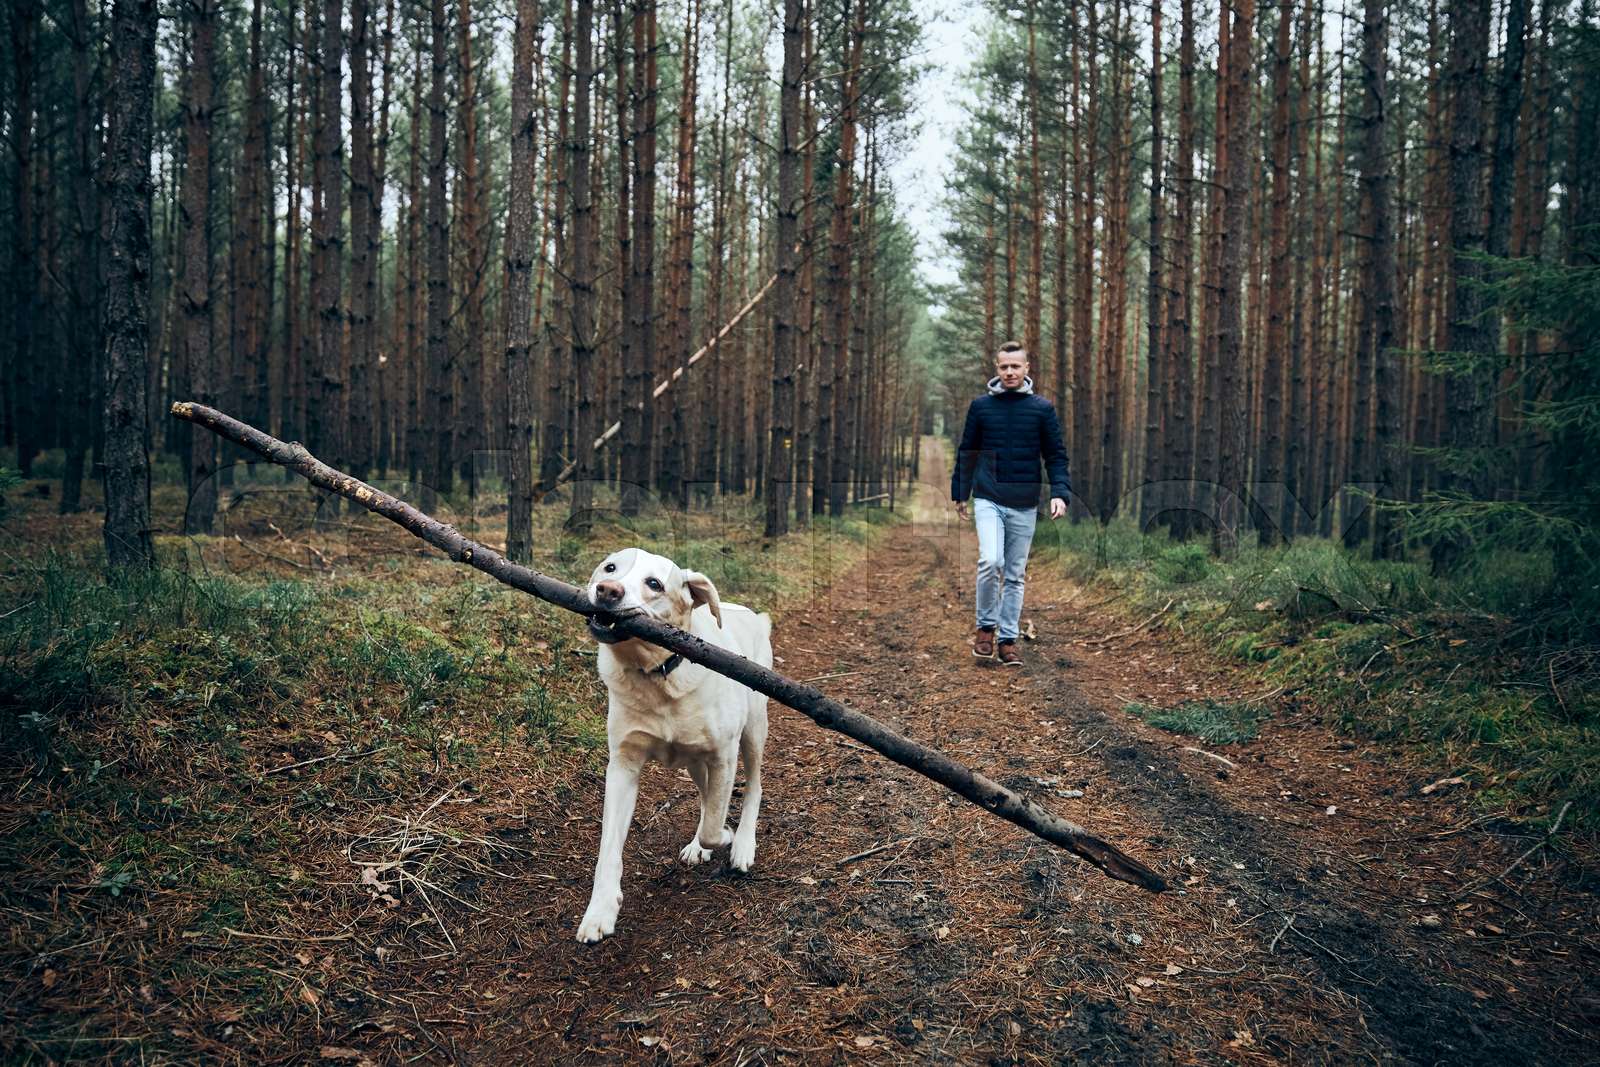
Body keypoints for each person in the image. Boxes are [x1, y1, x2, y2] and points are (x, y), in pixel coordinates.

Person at [950, 341, 1071, 665]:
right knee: (990, 561)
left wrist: (1060, 492)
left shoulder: (1042, 409)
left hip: (1025, 502)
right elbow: (967, 450)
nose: (1009, 372)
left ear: (1027, 369)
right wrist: (960, 492)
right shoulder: (981, 407)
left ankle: (1007, 638)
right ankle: (986, 628)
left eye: (1015, 366)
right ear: (997, 369)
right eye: (1004, 367)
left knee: (1015, 574)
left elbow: (1056, 455)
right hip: (989, 498)